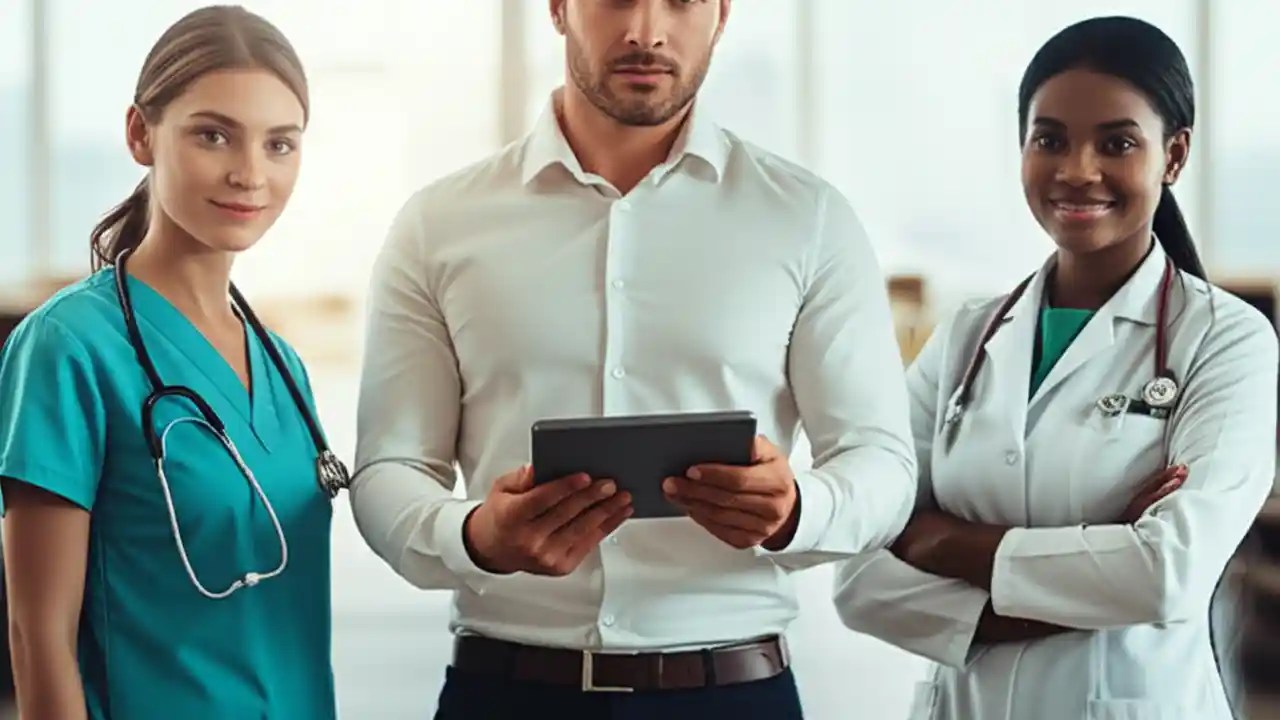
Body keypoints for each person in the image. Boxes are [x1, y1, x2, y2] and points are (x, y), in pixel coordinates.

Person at [350, 0, 917, 717]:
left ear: (721, 13)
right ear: (558, 8)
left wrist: (799, 509)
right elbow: (388, 469)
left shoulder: (808, 219)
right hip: (504, 691)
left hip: (733, 695)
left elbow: (882, 464)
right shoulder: (437, 226)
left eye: (681, 1)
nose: (646, 30)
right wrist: (476, 537)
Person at [832, 16, 1277, 720]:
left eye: (1117, 142)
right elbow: (858, 574)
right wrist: (1086, 582)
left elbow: (1167, 574)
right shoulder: (966, 337)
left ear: (1174, 156)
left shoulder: (1227, 341)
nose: (1077, 170)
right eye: (1050, 140)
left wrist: (945, 541)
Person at [0, 6, 345, 719]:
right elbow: (38, 641)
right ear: (140, 134)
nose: (250, 174)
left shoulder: (284, 367)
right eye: (214, 135)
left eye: (280, 145)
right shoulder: (69, 349)